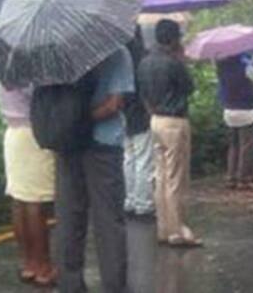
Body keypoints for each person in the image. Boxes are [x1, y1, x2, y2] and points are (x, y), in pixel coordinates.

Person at [56, 46, 133, 293]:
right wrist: (85, 119)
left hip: (66, 144)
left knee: (69, 215)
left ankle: (70, 283)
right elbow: (114, 103)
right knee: (108, 218)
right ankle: (114, 285)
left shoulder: (56, 53)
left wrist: (70, 123)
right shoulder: (116, 52)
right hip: (103, 144)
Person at [138, 19, 201, 247]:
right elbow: (189, 88)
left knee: (162, 175)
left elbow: (142, 92)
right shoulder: (173, 63)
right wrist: (181, 60)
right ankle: (178, 229)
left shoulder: (144, 62)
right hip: (175, 121)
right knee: (176, 177)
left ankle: (163, 227)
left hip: (155, 120)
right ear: (175, 39)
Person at [0, 81, 57, 287]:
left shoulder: (4, 66)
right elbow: (40, 100)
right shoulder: (27, 69)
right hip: (33, 133)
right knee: (35, 202)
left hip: (12, 133)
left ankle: (29, 262)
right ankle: (44, 266)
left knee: (19, 200)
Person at [216, 53, 253, 190]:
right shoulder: (246, 67)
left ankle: (231, 177)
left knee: (233, 146)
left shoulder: (221, 68)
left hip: (229, 111)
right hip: (247, 111)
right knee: (246, 147)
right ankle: (244, 179)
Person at [123, 27, 155, 217]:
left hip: (122, 113)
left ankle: (129, 200)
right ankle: (143, 203)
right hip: (140, 113)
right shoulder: (141, 61)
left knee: (128, 158)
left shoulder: (119, 59)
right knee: (144, 159)